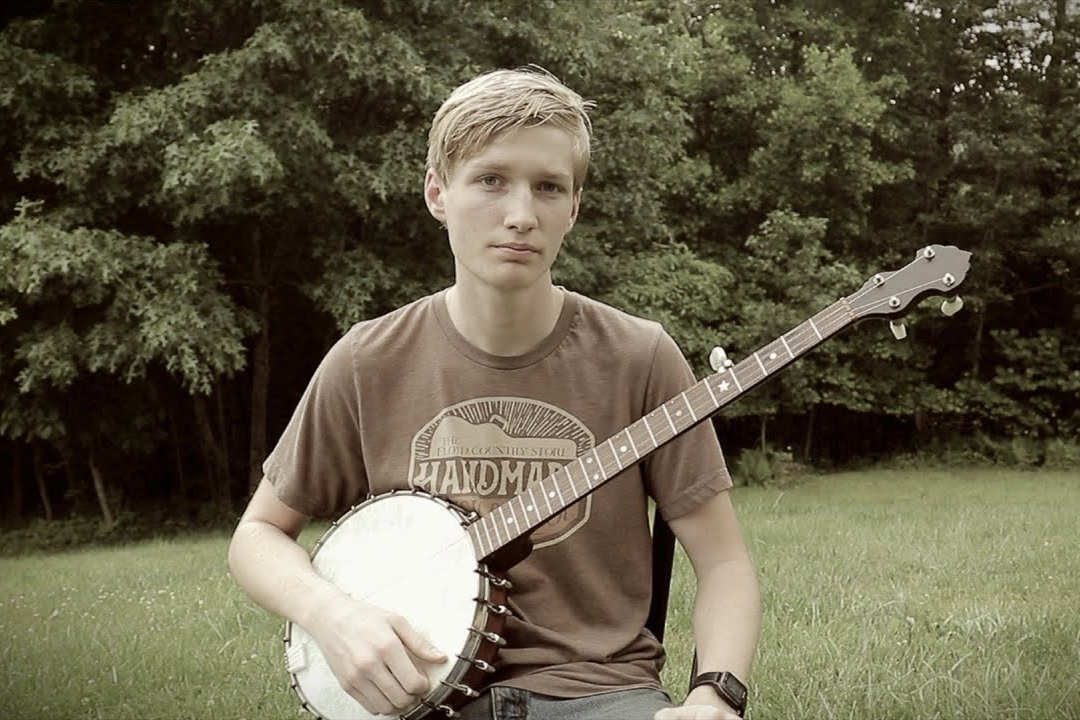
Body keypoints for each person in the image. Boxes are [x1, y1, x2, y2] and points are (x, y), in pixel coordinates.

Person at [227, 66, 761, 720]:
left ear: (573, 209)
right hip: (418, 697)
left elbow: (725, 563)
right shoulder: (368, 360)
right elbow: (257, 535)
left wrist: (715, 694)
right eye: (490, 180)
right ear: (437, 193)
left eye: (548, 188)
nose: (520, 216)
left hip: (601, 694)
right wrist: (330, 613)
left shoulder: (640, 356)